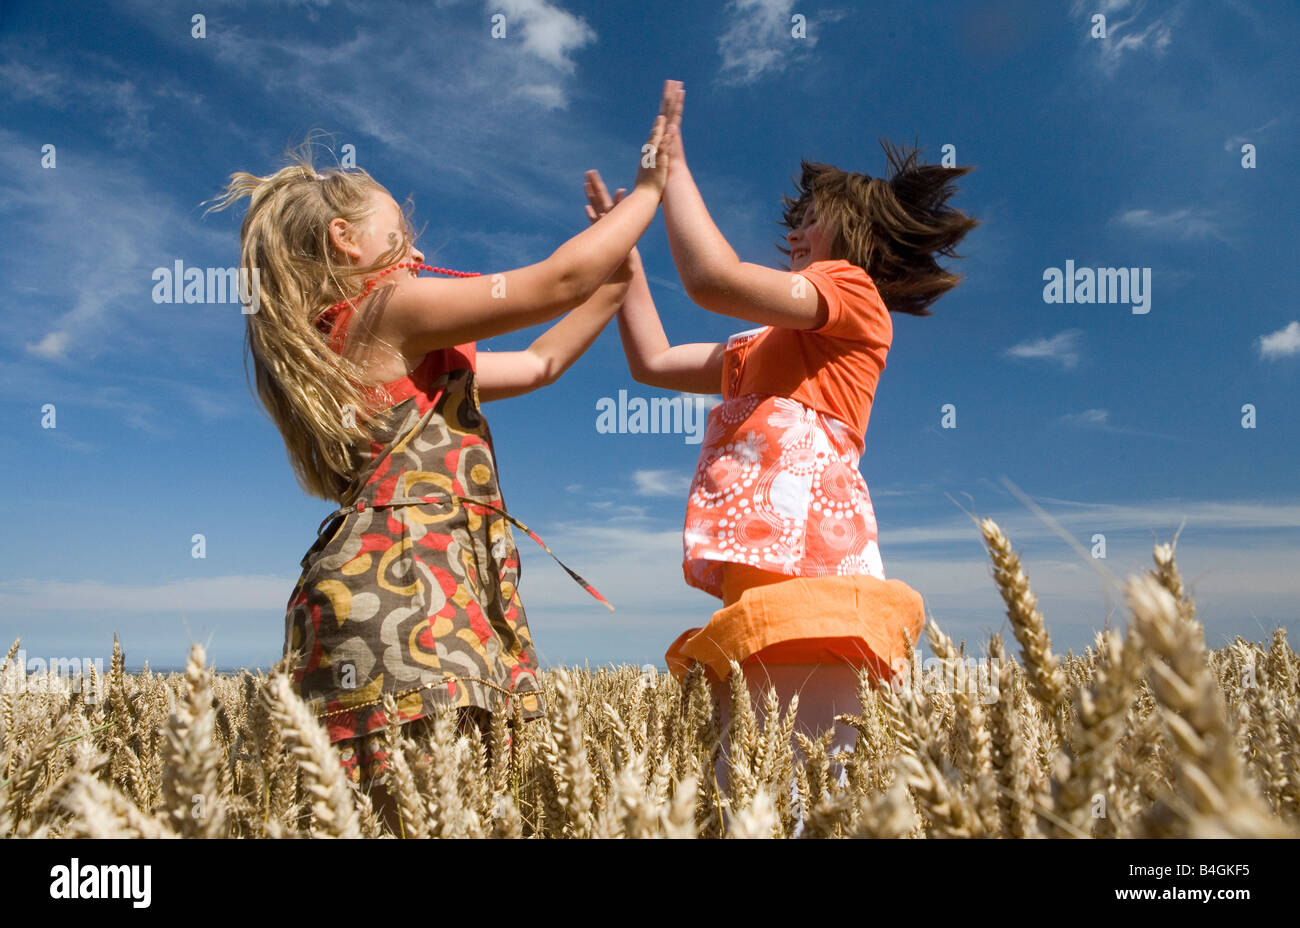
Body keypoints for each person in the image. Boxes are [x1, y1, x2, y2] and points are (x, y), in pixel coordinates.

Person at [204, 83, 682, 829]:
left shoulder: (365, 349)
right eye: (401, 234)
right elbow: (551, 281)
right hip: (409, 599)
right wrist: (651, 189)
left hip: (385, 599)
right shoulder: (384, 310)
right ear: (345, 240)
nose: (420, 252)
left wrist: (616, 277)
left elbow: (538, 364)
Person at [592, 80, 978, 761]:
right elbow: (651, 361)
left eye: (814, 217)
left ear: (855, 235)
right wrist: (621, 262)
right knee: (748, 790)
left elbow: (712, 278)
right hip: (756, 599)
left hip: (815, 588)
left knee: (814, 778)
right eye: (795, 218)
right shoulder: (753, 350)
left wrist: (671, 171)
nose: (795, 229)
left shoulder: (851, 294)